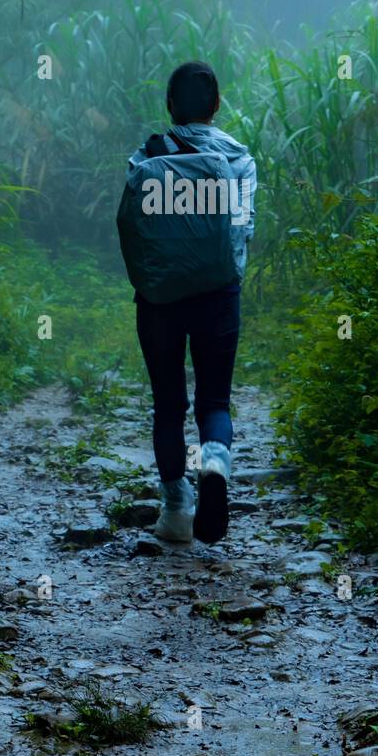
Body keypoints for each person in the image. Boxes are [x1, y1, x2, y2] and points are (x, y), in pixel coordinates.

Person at [125, 61, 257, 545]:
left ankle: (177, 509)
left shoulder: (146, 156)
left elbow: (137, 232)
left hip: (159, 298)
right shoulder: (239, 157)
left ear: (170, 106)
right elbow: (242, 230)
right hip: (219, 293)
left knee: (167, 401)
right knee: (214, 399)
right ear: (216, 105)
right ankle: (215, 463)